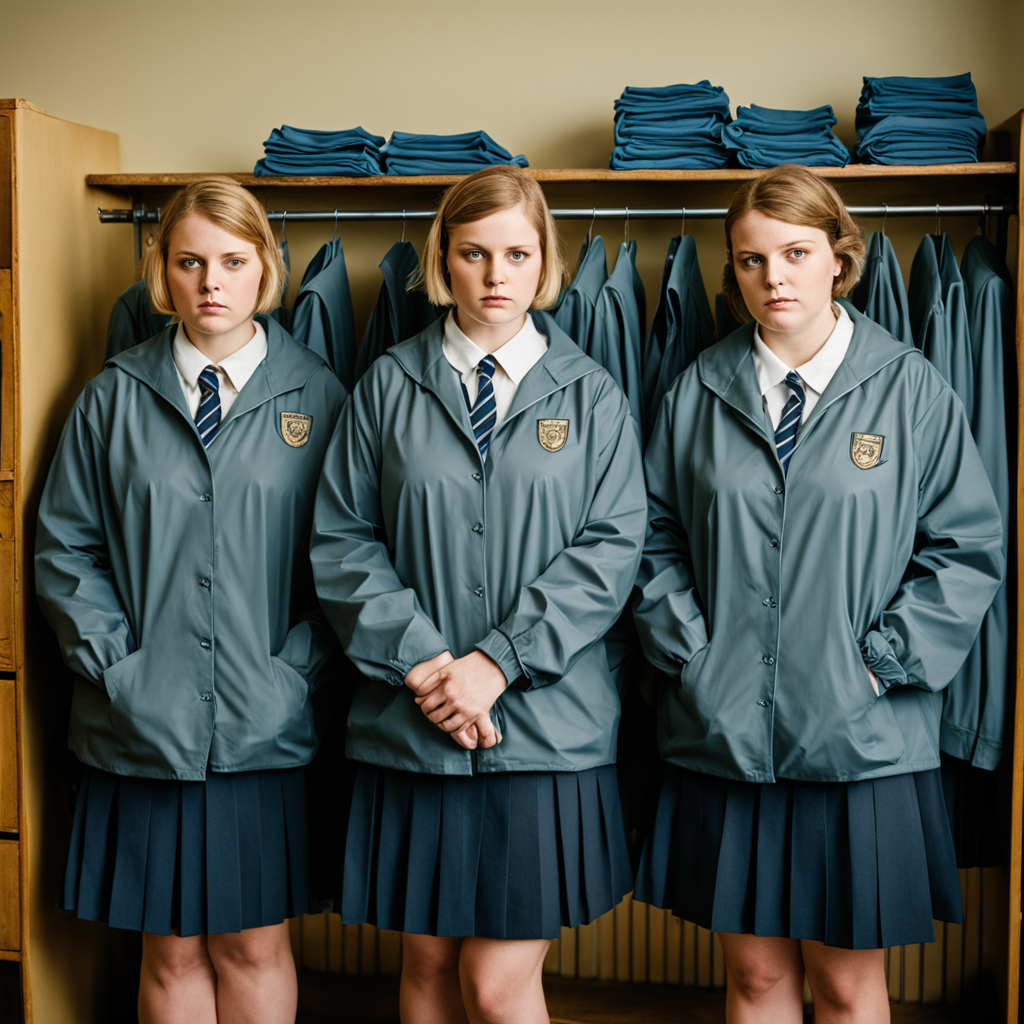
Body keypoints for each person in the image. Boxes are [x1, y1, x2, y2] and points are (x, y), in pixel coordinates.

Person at [632, 164, 1003, 1024]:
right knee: (758, 981)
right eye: (752, 259)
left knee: (845, 987)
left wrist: (877, 665)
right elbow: (649, 538)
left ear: (840, 258)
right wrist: (695, 655)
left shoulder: (911, 387)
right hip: (727, 734)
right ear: (733, 270)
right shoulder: (697, 389)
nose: (775, 278)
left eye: (796, 253)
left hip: (861, 739)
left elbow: (966, 548)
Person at [311, 164, 646, 1024]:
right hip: (412, 723)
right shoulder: (388, 384)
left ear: (546, 262)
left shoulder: (594, 395)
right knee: (426, 965)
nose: (497, 275)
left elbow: (611, 550)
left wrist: (495, 664)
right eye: (474, 253)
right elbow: (343, 540)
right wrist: (429, 666)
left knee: (497, 984)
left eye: (517, 254)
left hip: (545, 732)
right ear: (442, 260)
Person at [35, 179, 347, 1024]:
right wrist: (120, 672)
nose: (212, 282)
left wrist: (293, 676)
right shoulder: (111, 396)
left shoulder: (321, 395)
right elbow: (65, 550)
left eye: (233, 262)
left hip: (265, 726)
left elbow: (348, 559)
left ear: (265, 269)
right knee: (168, 951)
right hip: (139, 726)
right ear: (161, 272)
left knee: (253, 945)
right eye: (190, 262)